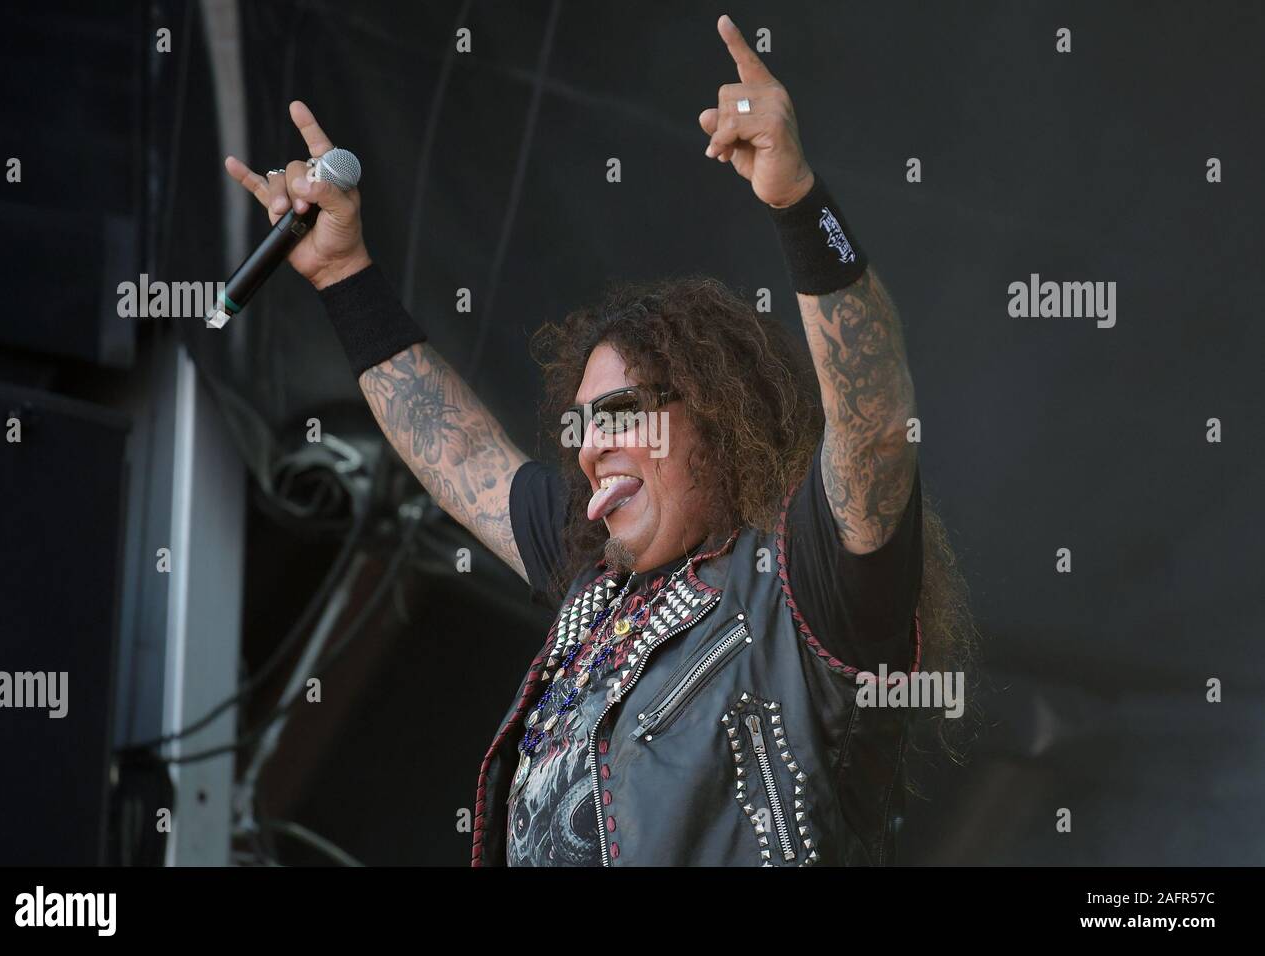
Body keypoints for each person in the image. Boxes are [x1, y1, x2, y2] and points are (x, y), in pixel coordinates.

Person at [223, 14, 973, 866]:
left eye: (622, 415)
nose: (588, 450)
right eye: (582, 426)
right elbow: (461, 456)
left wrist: (801, 206)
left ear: (715, 419)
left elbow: (874, 430)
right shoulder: (595, 577)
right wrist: (342, 274)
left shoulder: (800, 592)